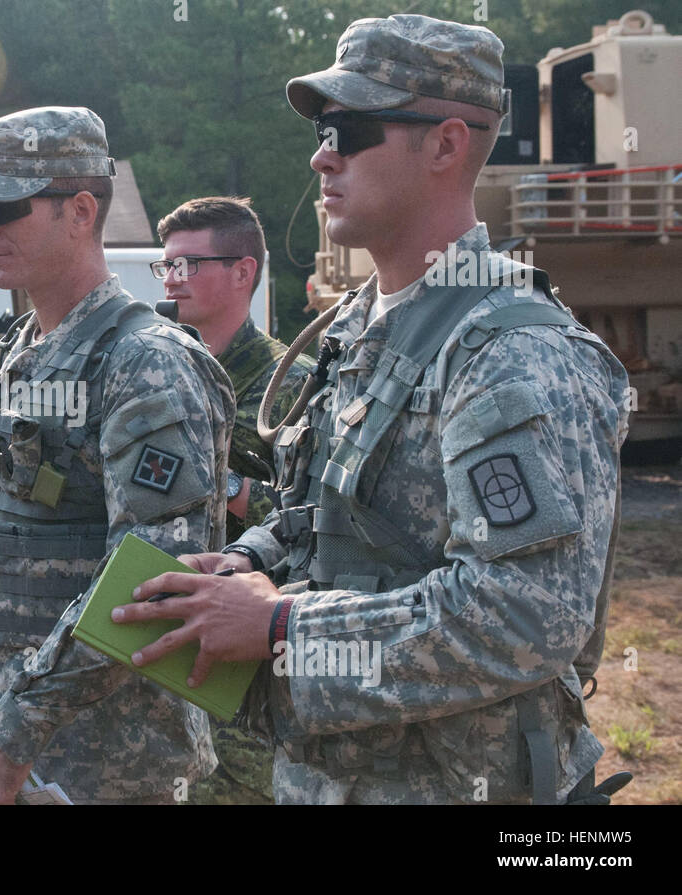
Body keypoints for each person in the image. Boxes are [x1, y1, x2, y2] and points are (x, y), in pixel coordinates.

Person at [113, 14, 630, 804]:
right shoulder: (357, 329)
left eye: (351, 128)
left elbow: (528, 613)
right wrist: (248, 563)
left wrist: (283, 629)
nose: (323, 154)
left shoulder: (512, 351)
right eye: (324, 130)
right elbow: (316, 512)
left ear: (447, 145)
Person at [0, 106, 236, 804]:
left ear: (81, 210)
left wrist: (16, 735)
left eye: (3, 206)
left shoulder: (143, 364)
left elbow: (152, 574)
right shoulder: (25, 351)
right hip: (18, 745)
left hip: (111, 762)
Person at [154, 196, 312, 804]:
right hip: (163, 624)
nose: (172, 279)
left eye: (189, 264)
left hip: (244, 645)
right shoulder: (160, 371)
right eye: (166, 266)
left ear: (243, 272)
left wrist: (224, 486)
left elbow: (313, 515)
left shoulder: (288, 383)